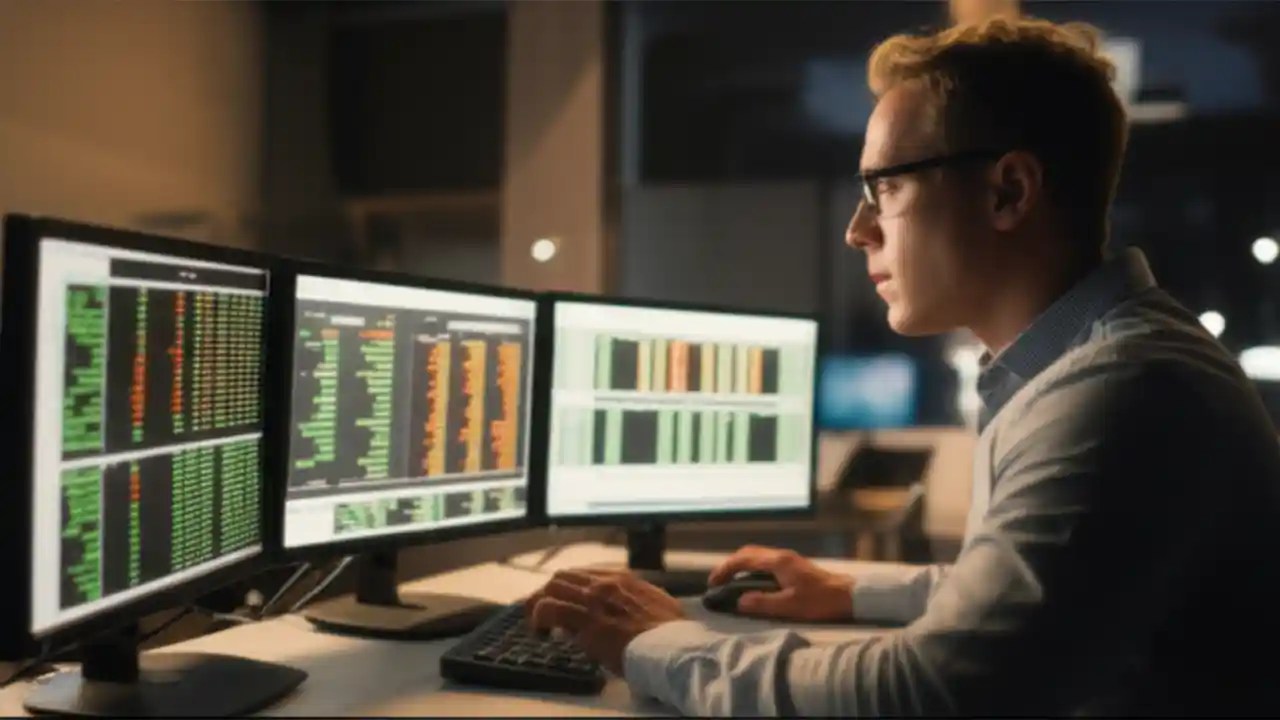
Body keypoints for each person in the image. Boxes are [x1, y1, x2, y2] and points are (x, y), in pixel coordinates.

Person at [525, 15, 1280, 717]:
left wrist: (656, 643)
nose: (859, 230)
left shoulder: (1119, 389)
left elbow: (929, 691)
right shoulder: (1081, 365)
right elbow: (1028, 597)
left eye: (885, 186)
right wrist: (849, 591)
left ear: (1008, 191)